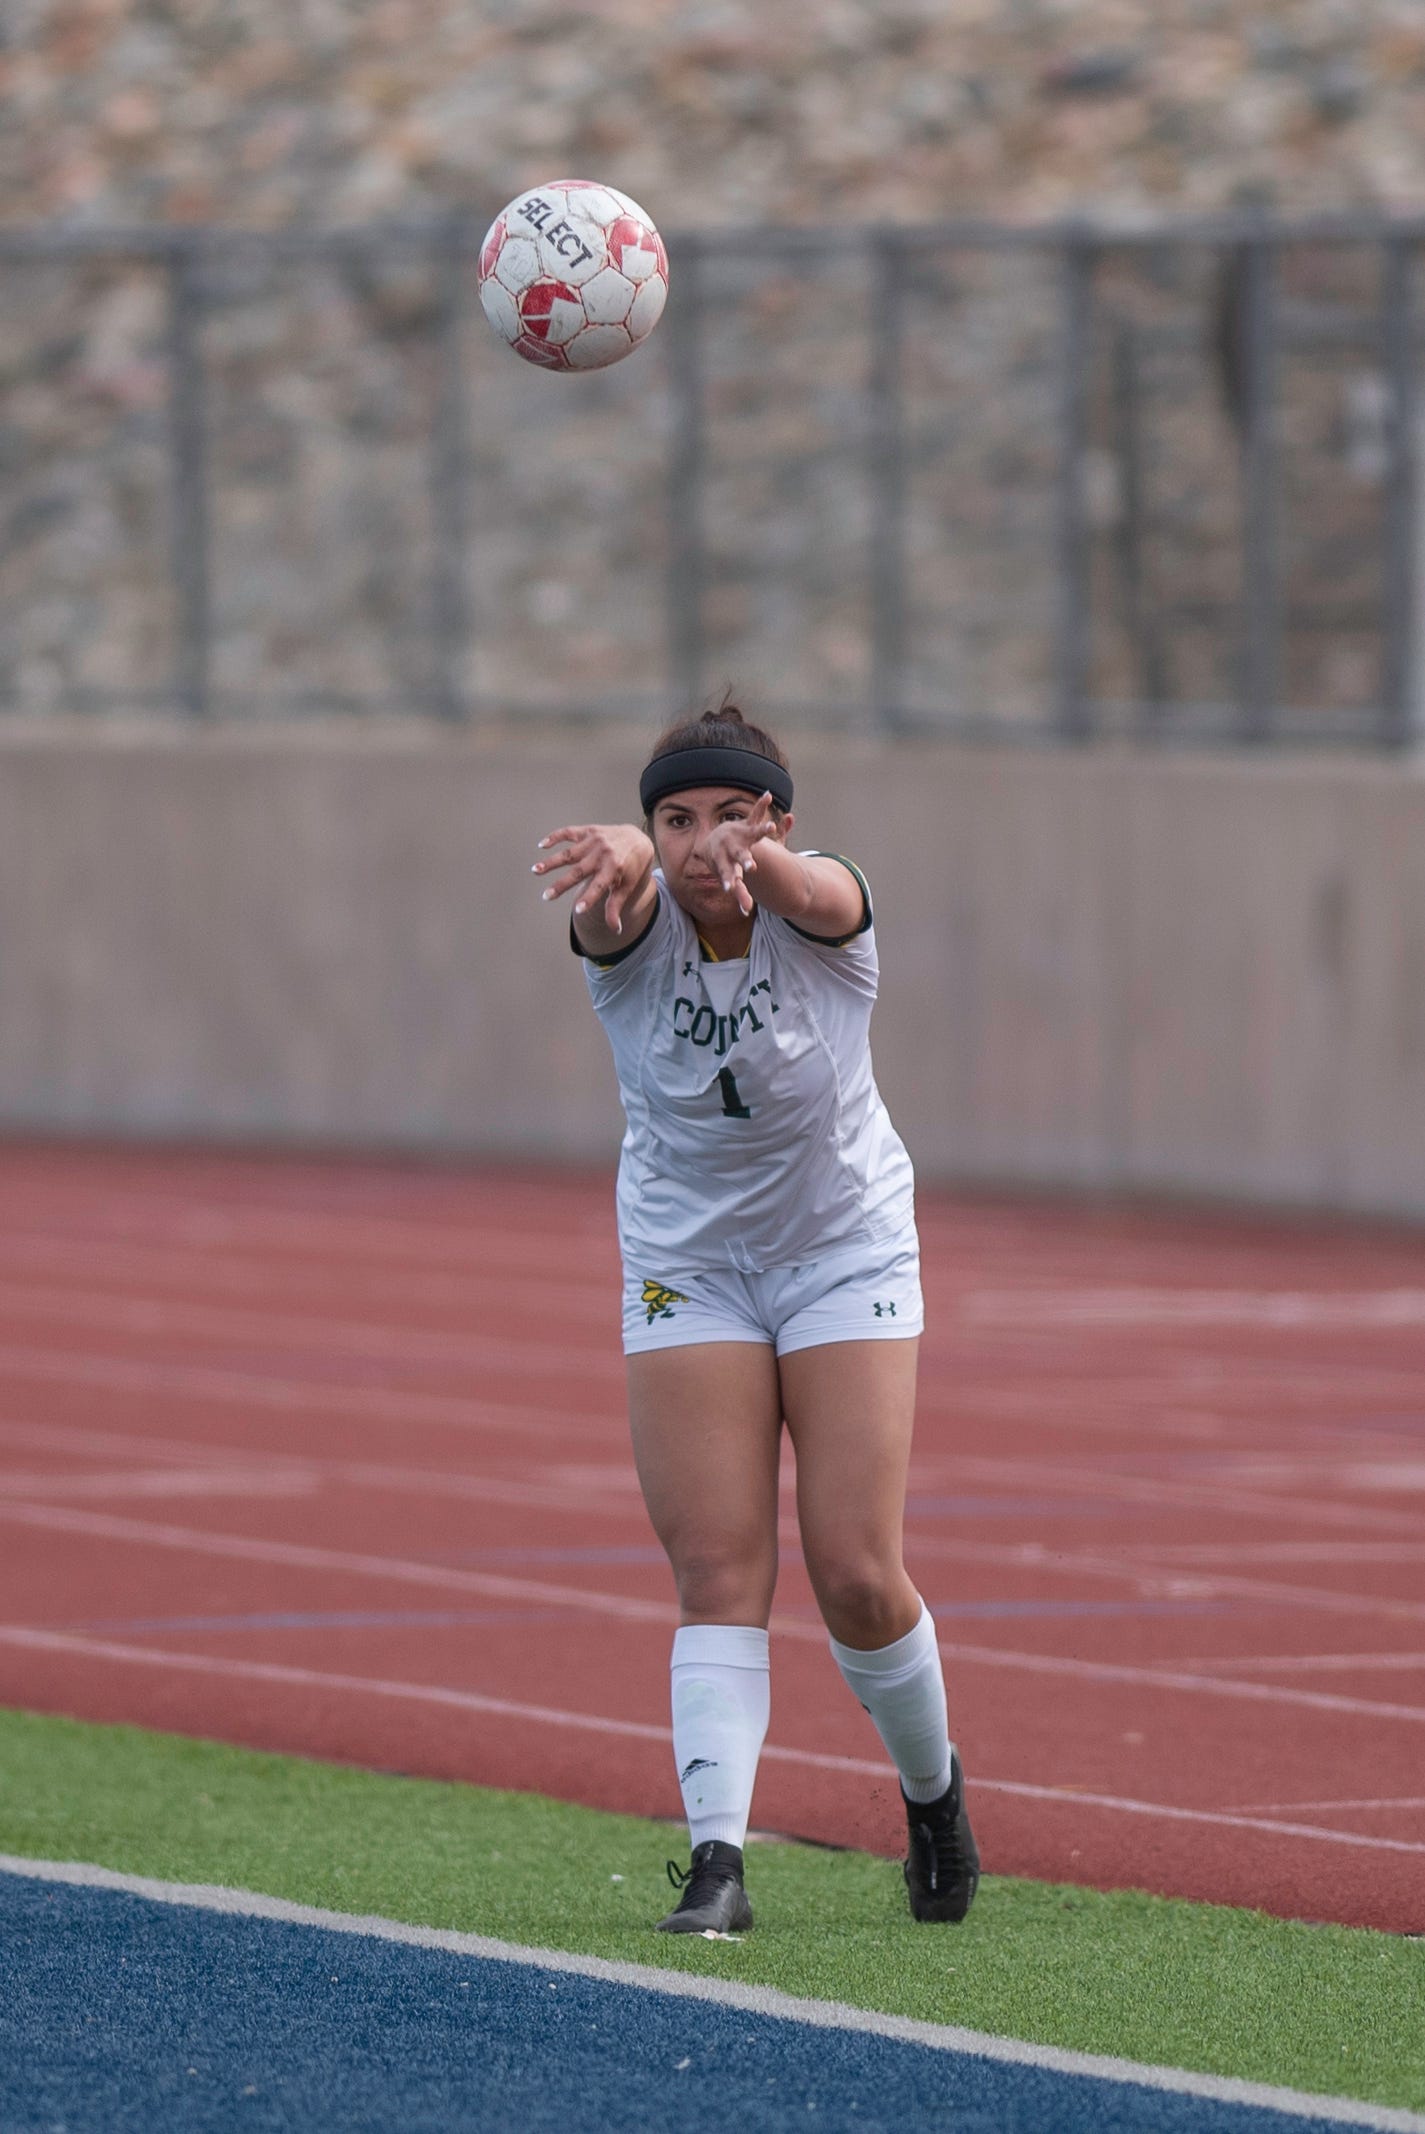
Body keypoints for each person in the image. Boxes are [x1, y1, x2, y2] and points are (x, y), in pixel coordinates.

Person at [532, 702, 978, 1934]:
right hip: (692, 1264)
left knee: (855, 1570)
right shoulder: (629, 925)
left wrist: (756, 859)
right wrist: (626, 858)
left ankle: (933, 1796)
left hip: (844, 1252)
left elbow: (822, 890)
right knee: (718, 1567)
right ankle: (718, 1861)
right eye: (673, 817)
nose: (698, 840)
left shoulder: (821, 910)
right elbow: (604, 907)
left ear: (776, 818)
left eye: (728, 813)